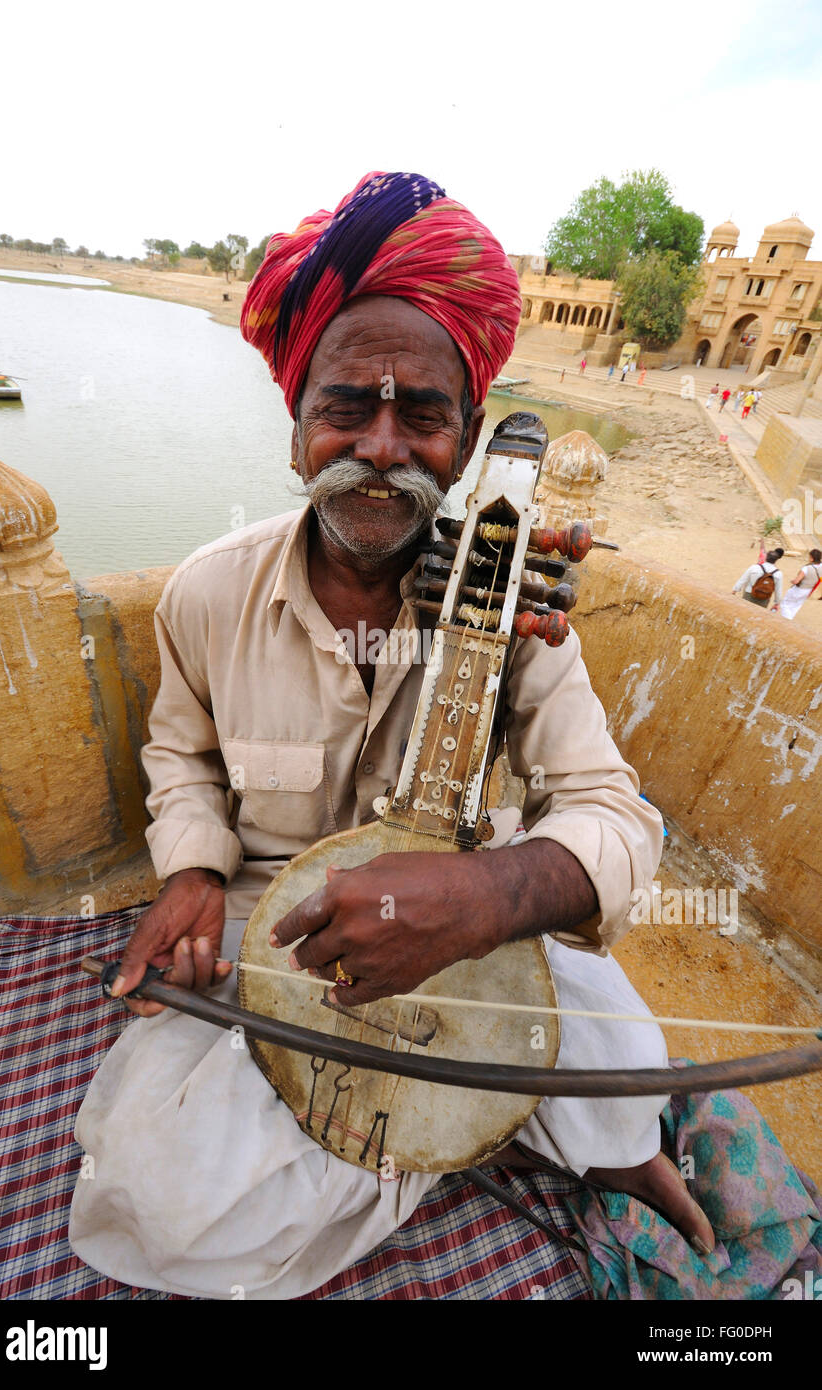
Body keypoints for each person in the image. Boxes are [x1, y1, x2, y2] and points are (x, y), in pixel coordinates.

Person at [69, 170, 714, 1300]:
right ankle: (465, 1133)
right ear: (295, 426)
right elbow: (178, 759)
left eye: (421, 415)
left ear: (464, 446)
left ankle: (487, 1131)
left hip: (472, 932)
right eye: (345, 410)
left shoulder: (510, 606)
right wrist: (192, 870)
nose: (379, 448)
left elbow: (614, 818)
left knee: (630, 1069)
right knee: (149, 1204)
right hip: (283, 932)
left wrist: (486, 900)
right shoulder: (206, 596)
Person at [779, 548, 822, 620]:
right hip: (808, 590)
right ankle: (790, 618)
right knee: (796, 606)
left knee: (785, 604)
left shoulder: (806, 568)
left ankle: (787, 619)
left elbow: (797, 581)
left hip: (799, 589)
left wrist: (792, 581)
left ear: (812, 558)